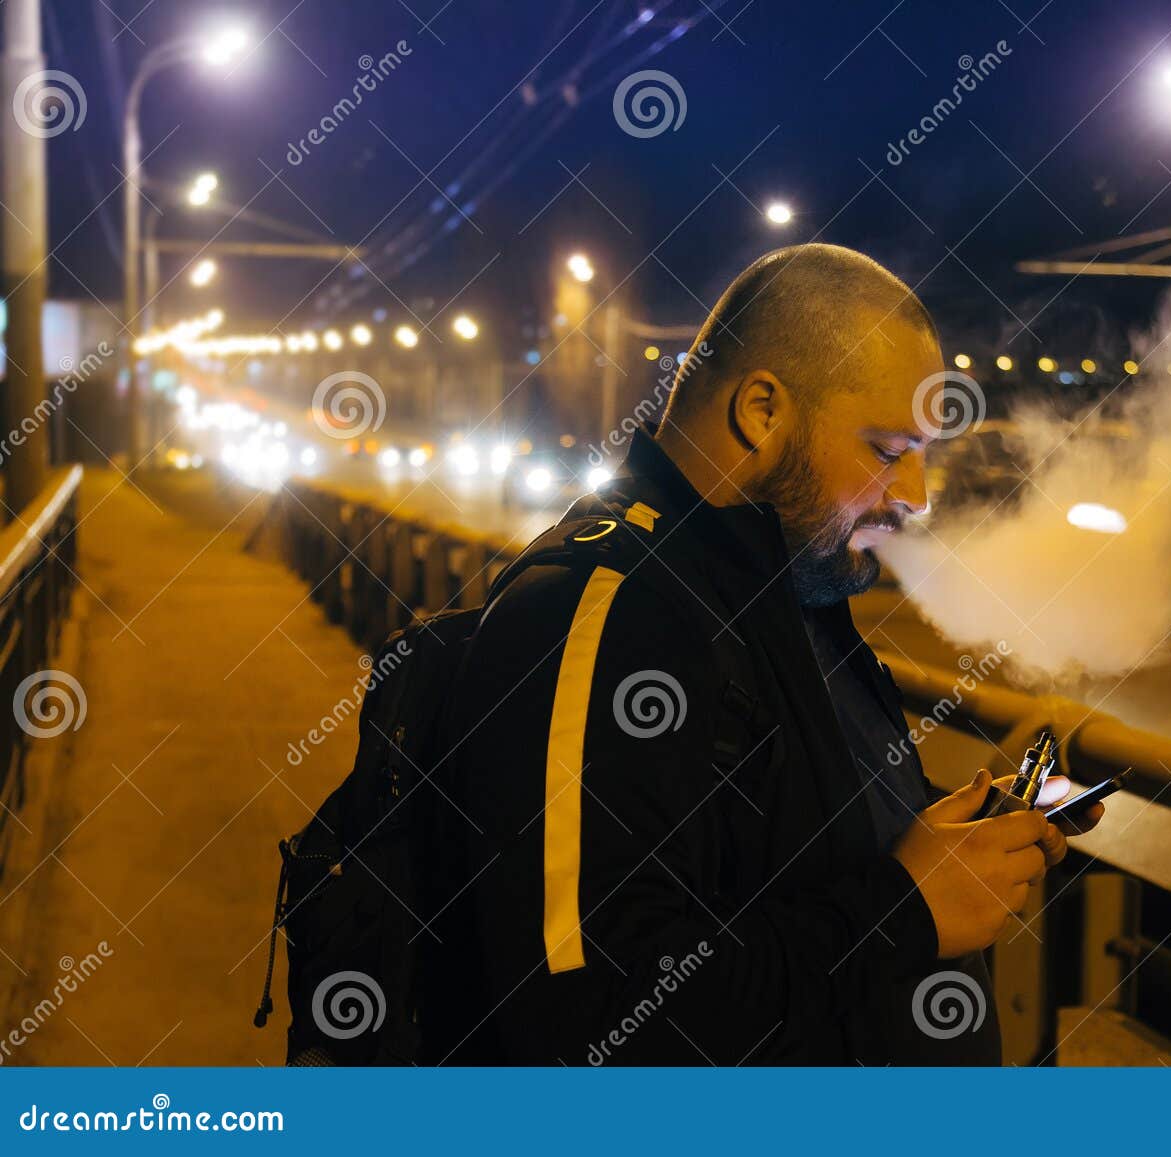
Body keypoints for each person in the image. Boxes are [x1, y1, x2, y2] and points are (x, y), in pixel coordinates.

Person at [426, 243, 1102, 1065]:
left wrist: (950, 834)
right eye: (889, 451)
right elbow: (590, 1014)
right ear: (762, 412)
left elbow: (786, 839)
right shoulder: (599, 609)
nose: (919, 496)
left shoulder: (780, 585)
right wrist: (906, 908)